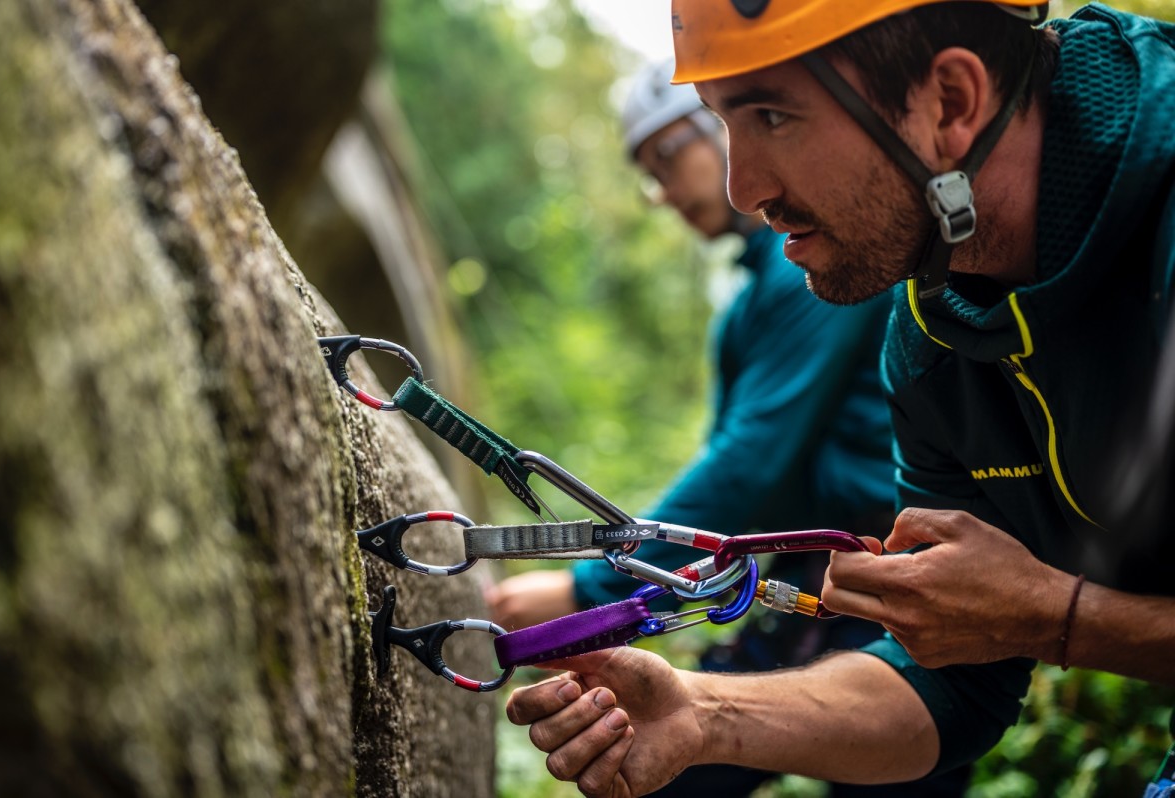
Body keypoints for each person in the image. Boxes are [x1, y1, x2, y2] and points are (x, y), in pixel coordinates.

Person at [503, 1, 1175, 795]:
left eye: (772, 115)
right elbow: (955, 682)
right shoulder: (931, 335)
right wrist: (702, 713)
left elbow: (756, 459)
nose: (743, 187)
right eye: (723, 121)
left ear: (950, 102)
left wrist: (1057, 617)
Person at [486, 56, 958, 797]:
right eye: (650, 173)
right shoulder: (760, 292)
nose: (666, 192)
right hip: (822, 583)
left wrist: (592, 589)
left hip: (887, 582)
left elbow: (751, 464)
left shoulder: (818, 270)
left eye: (668, 156)